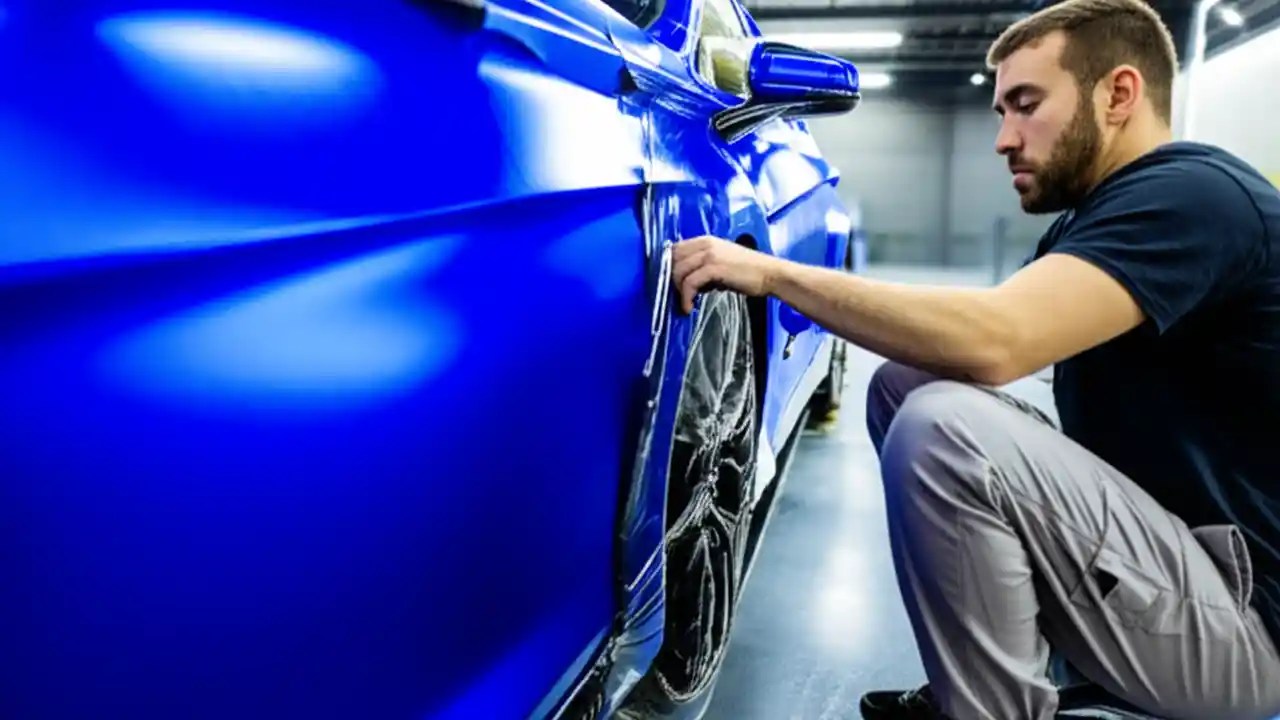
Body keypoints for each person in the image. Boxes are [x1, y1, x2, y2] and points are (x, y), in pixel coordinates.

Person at [670, 0, 1280, 717]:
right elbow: (967, 339)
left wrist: (773, 275)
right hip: (1178, 577)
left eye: (1025, 106)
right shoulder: (1097, 218)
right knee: (907, 387)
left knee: (945, 429)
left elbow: (994, 340)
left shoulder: (1193, 196)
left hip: (1244, 625)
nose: (1003, 138)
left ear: (1118, 94)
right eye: (1000, 112)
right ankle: (992, 680)